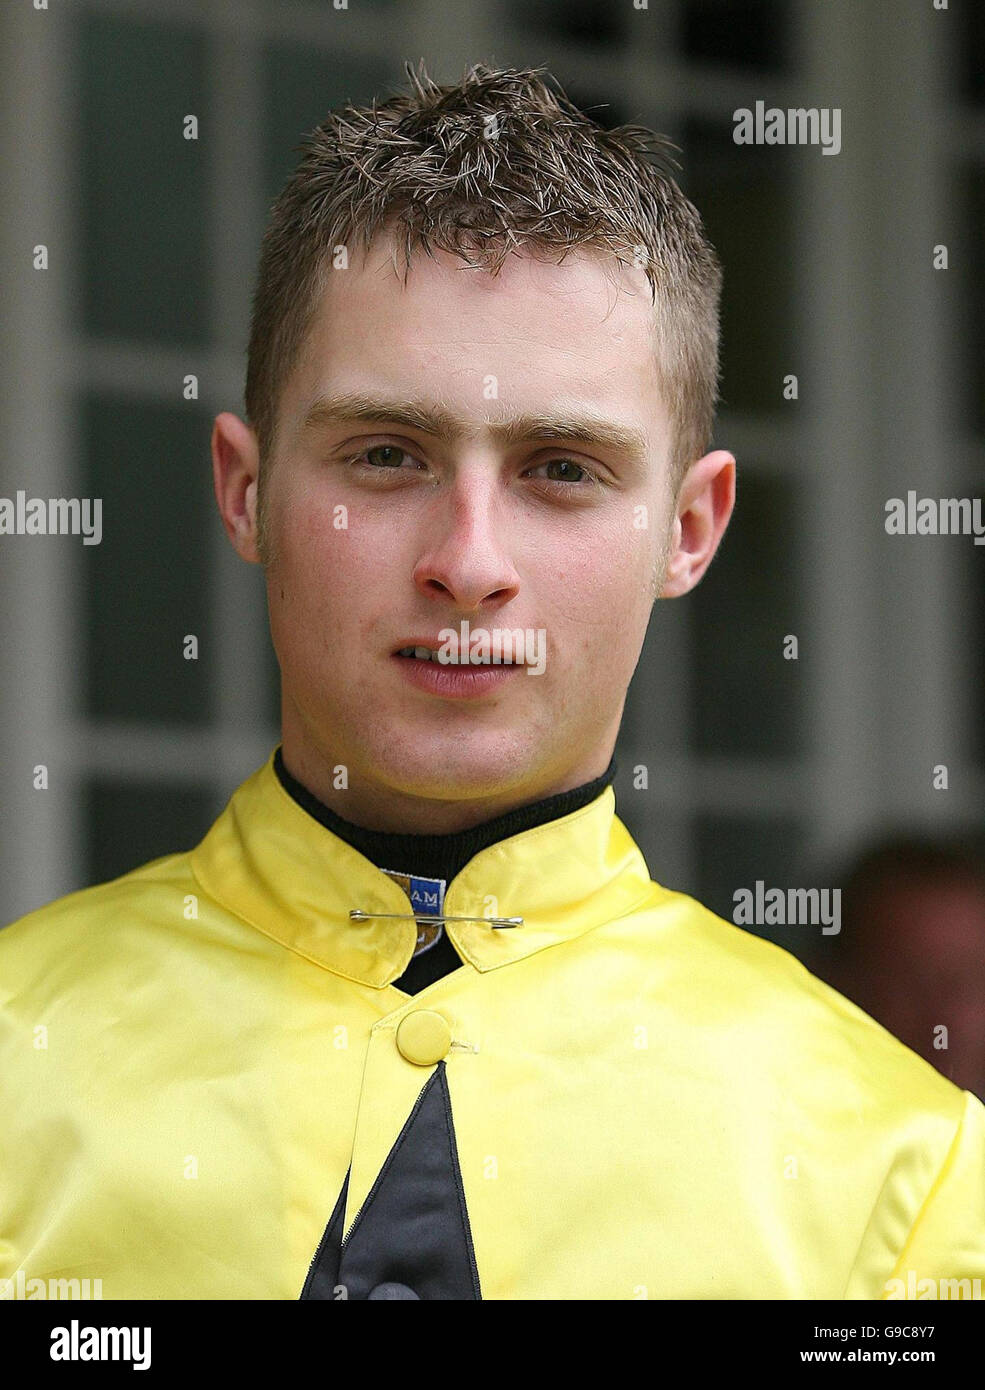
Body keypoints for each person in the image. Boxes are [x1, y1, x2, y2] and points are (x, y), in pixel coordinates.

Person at [1, 61, 982, 1302]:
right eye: (386, 453)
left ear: (690, 526)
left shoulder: (903, 1173)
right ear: (246, 491)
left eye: (561, 468)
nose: (468, 562)